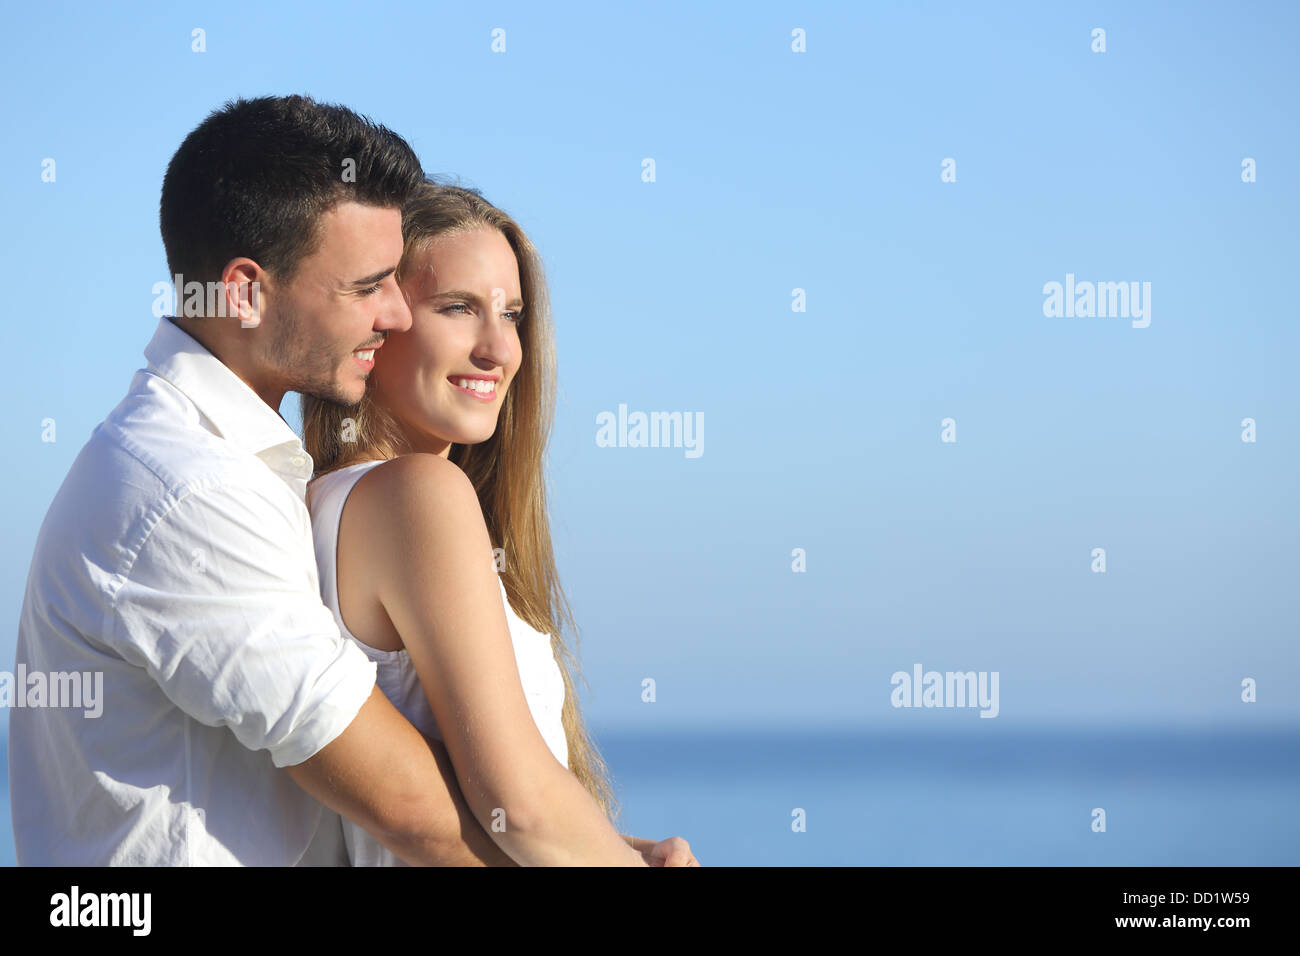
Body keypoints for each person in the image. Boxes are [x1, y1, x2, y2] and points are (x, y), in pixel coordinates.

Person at [8, 93, 690, 866]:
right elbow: (418, 809)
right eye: (370, 287)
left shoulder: (265, 483)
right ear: (244, 292)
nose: (394, 314)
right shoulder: (192, 490)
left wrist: (604, 849)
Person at [300, 181, 698, 866]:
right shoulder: (419, 493)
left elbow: (472, 809)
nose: (499, 349)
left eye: (511, 314)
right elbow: (518, 808)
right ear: (380, 320)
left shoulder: (325, 502)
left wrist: (623, 851)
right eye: (457, 307)